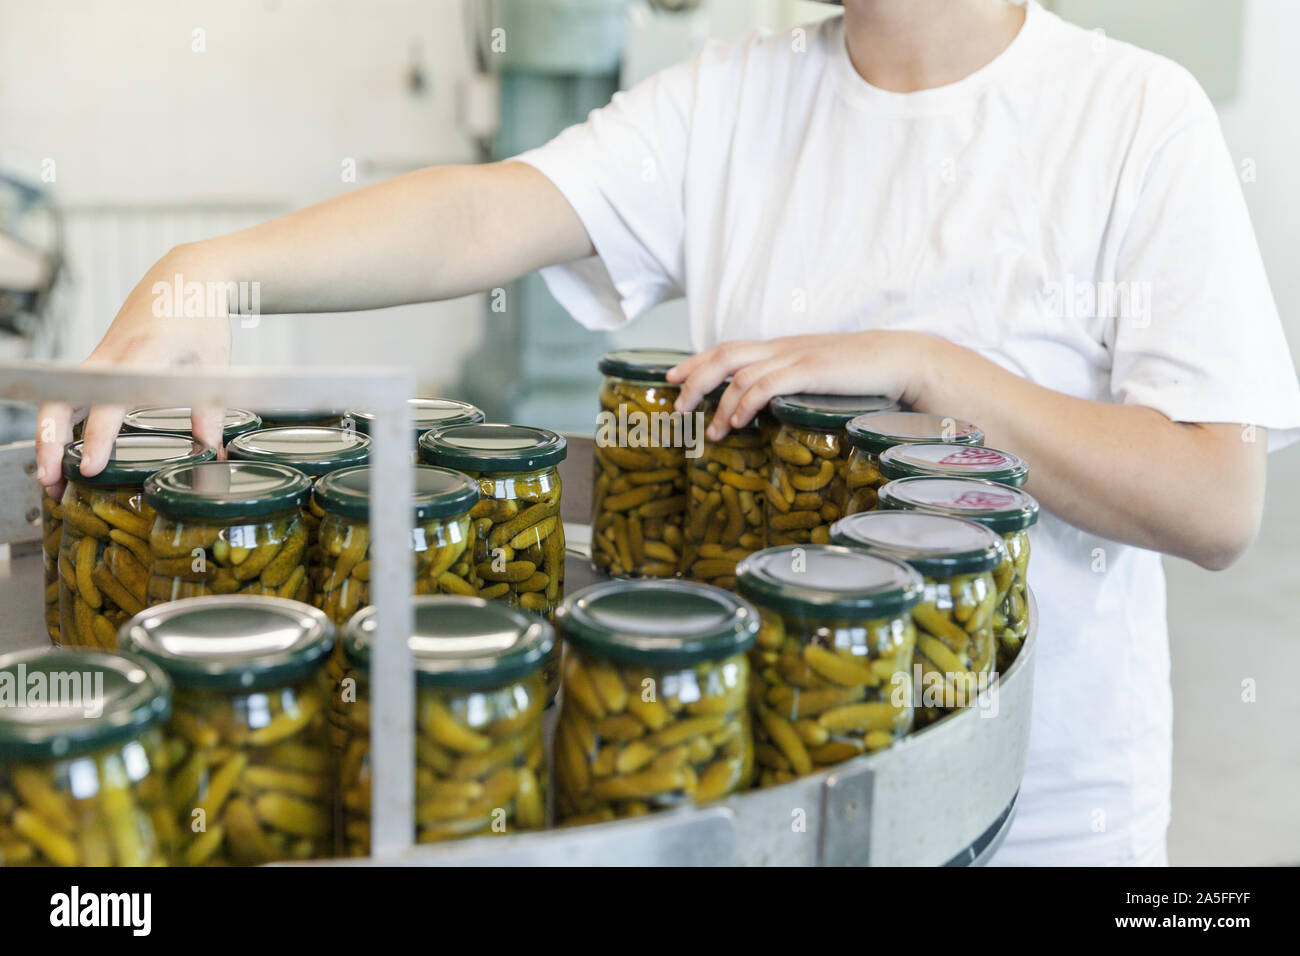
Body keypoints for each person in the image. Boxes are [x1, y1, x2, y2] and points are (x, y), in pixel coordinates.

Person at [35, 0, 1300, 865]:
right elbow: (483, 216)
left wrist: (933, 369)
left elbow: (1213, 499)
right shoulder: (743, 97)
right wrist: (203, 275)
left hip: (1034, 810)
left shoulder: (1134, 115)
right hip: (774, 801)